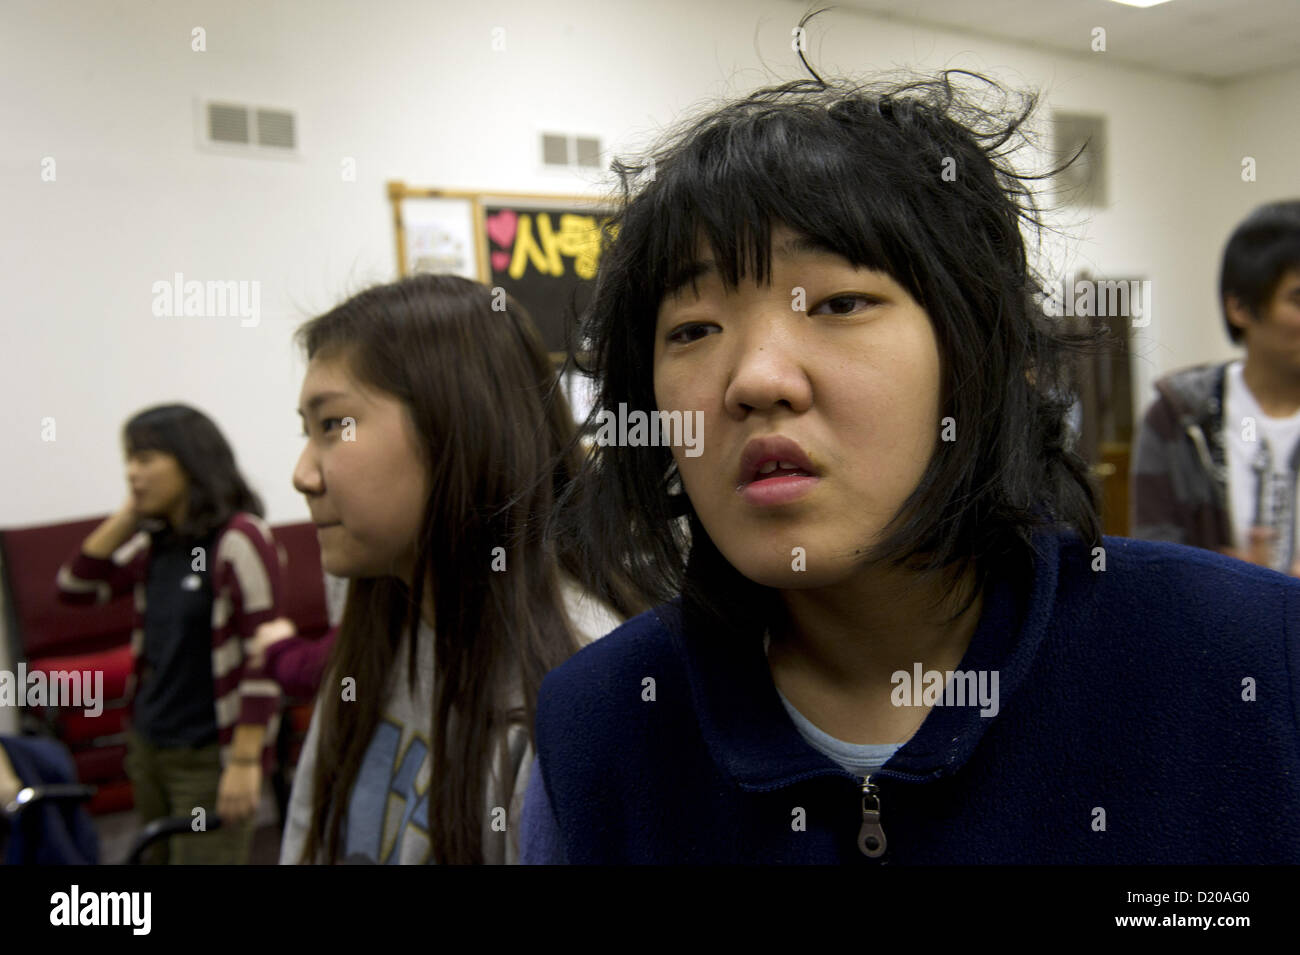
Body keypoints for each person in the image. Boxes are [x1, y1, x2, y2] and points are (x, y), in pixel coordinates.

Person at [520, 64, 1300, 863]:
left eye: (837, 303)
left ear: (981, 351)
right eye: (691, 329)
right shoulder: (600, 727)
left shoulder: (1245, 658)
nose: (755, 379)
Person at [279, 272, 632, 865]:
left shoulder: (586, 685)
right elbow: (307, 827)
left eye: (333, 426)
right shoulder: (378, 615)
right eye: (305, 431)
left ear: (456, 429)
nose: (302, 474)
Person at [55, 404, 284, 864]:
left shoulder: (239, 538)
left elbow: (266, 655)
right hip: (149, 744)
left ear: (191, 460)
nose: (131, 474)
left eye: (144, 460)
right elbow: (75, 586)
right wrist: (129, 516)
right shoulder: (155, 543)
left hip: (206, 756)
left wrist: (244, 762)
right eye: (129, 461)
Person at [1132, 200, 1300, 575]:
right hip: (1222, 632)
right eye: (1298, 299)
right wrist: (1237, 586)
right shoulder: (1177, 419)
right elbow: (1153, 566)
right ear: (1239, 307)